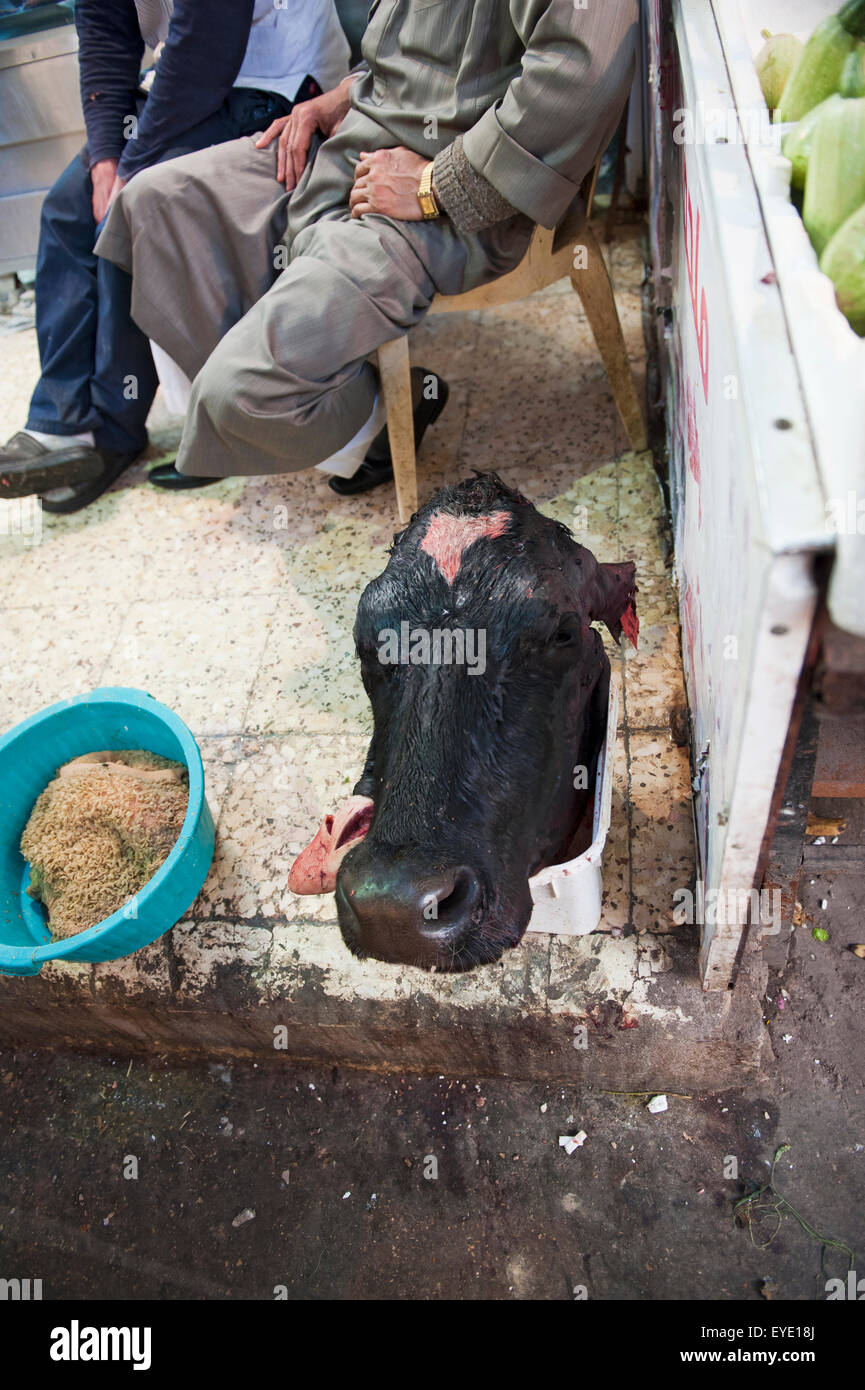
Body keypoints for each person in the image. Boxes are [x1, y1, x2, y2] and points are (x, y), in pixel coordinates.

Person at [93, 0, 639, 497]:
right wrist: (339, 97)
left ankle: (349, 411)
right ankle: (368, 417)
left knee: (237, 394)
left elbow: (582, 74)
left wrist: (436, 186)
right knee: (151, 205)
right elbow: (413, 52)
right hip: (348, 147)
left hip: (443, 200)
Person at [0, 0, 350, 512]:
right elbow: (103, 28)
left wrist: (132, 163)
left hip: (280, 82)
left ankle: (114, 426)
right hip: (188, 79)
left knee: (139, 205)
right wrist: (104, 155)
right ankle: (65, 422)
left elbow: (207, 41)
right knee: (69, 207)